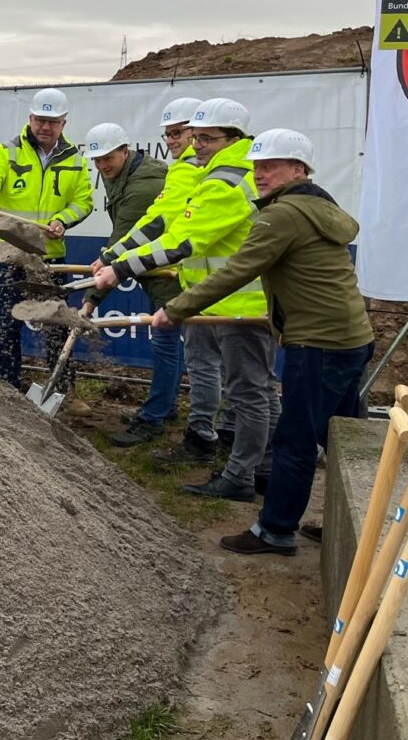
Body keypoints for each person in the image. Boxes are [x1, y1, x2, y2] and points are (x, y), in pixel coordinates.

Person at [147, 131, 373, 556]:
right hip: (353, 337)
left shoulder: (282, 215)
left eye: (271, 166)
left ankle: (275, 530)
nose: (260, 174)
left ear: (299, 170)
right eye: (256, 166)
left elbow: (236, 269)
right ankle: (355, 521)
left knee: (296, 440)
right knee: (343, 436)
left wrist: (174, 309)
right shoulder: (322, 206)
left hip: (320, 343)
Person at [95, 98, 275, 500]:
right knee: (253, 390)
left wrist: (120, 267)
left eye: (204, 137)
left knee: (251, 392)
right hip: (220, 299)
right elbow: (163, 224)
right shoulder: (210, 171)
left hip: (239, 304)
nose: (195, 144)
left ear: (233, 137)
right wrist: (113, 256)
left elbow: (180, 240)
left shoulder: (225, 179)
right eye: (192, 136)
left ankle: (245, 475)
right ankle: (259, 467)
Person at [0, 88, 93, 388]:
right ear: (30, 119)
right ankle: (7, 385)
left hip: (49, 256)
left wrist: (63, 220)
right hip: (8, 256)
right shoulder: (7, 151)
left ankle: (60, 388)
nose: (45, 127)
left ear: (64, 122)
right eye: (39, 120)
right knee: (8, 324)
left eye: (53, 121)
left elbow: (83, 201)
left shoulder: (74, 158)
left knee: (56, 324)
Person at [99, 97, 204, 448]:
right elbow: (151, 223)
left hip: (173, 272)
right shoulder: (179, 168)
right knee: (176, 344)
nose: (172, 140)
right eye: (168, 134)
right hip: (176, 269)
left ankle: (159, 417)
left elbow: (156, 225)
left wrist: (113, 267)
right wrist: (115, 258)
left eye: (179, 133)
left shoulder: (184, 170)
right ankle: (167, 409)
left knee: (174, 344)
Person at [78, 124, 184, 446]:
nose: (101, 166)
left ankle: (153, 418)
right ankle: (166, 407)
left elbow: (121, 241)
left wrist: (91, 300)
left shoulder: (142, 188)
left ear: (125, 151)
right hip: (153, 265)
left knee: (165, 342)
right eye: (96, 160)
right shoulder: (124, 175)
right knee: (168, 342)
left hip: (167, 269)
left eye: (107, 158)